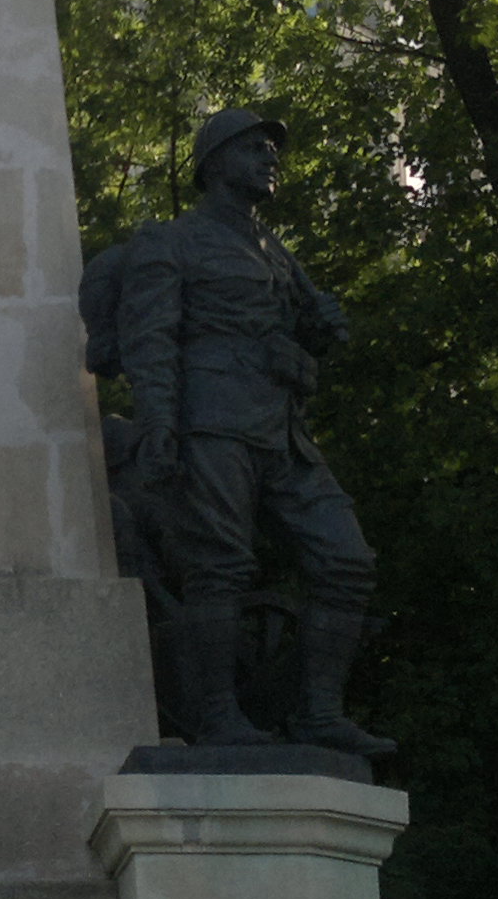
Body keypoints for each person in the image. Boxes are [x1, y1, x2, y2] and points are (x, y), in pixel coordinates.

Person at [112, 108, 389, 761]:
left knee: (347, 559)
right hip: (212, 421)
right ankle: (217, 717)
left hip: (282, 428)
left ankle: (320, 713)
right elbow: (150, 341)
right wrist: (158, 426)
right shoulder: (172, 240)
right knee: (220, 568)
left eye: (273, 149)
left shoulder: (273, 249)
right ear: (215, 164)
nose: (271, 158)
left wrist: (319, 329)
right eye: (256, 148)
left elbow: (288, 336)